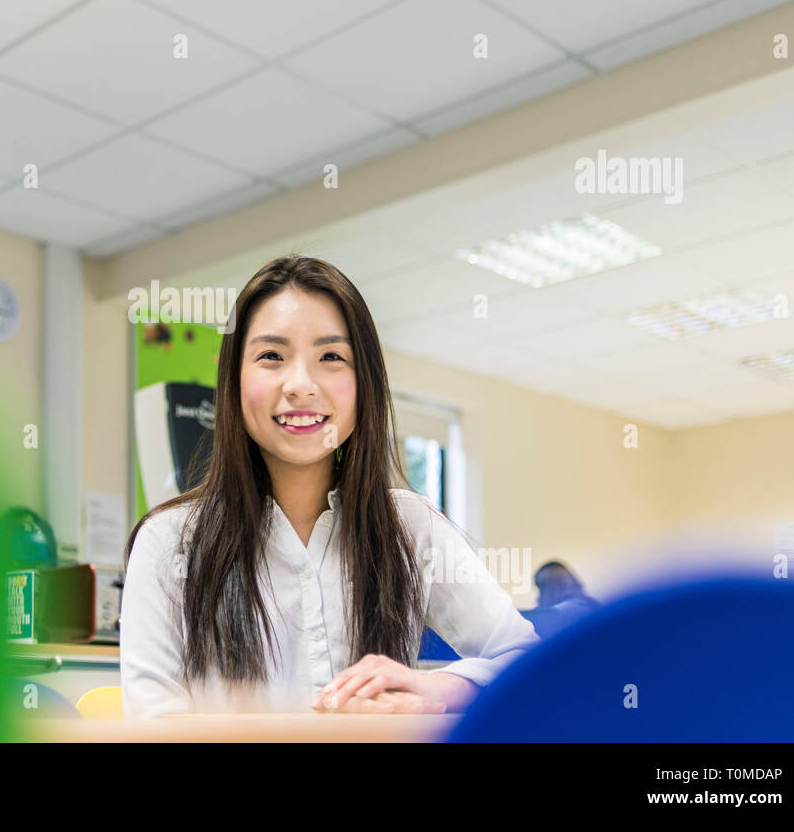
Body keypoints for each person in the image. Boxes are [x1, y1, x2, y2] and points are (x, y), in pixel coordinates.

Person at [118, 255, 541, 717]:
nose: (300, 384)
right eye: (271, 356)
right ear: (233, 381)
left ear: (365, 385)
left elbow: (531, 662)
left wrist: (437, 687)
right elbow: (152, 725)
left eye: (331, 357)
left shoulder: (412, 526)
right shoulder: (169, 542)